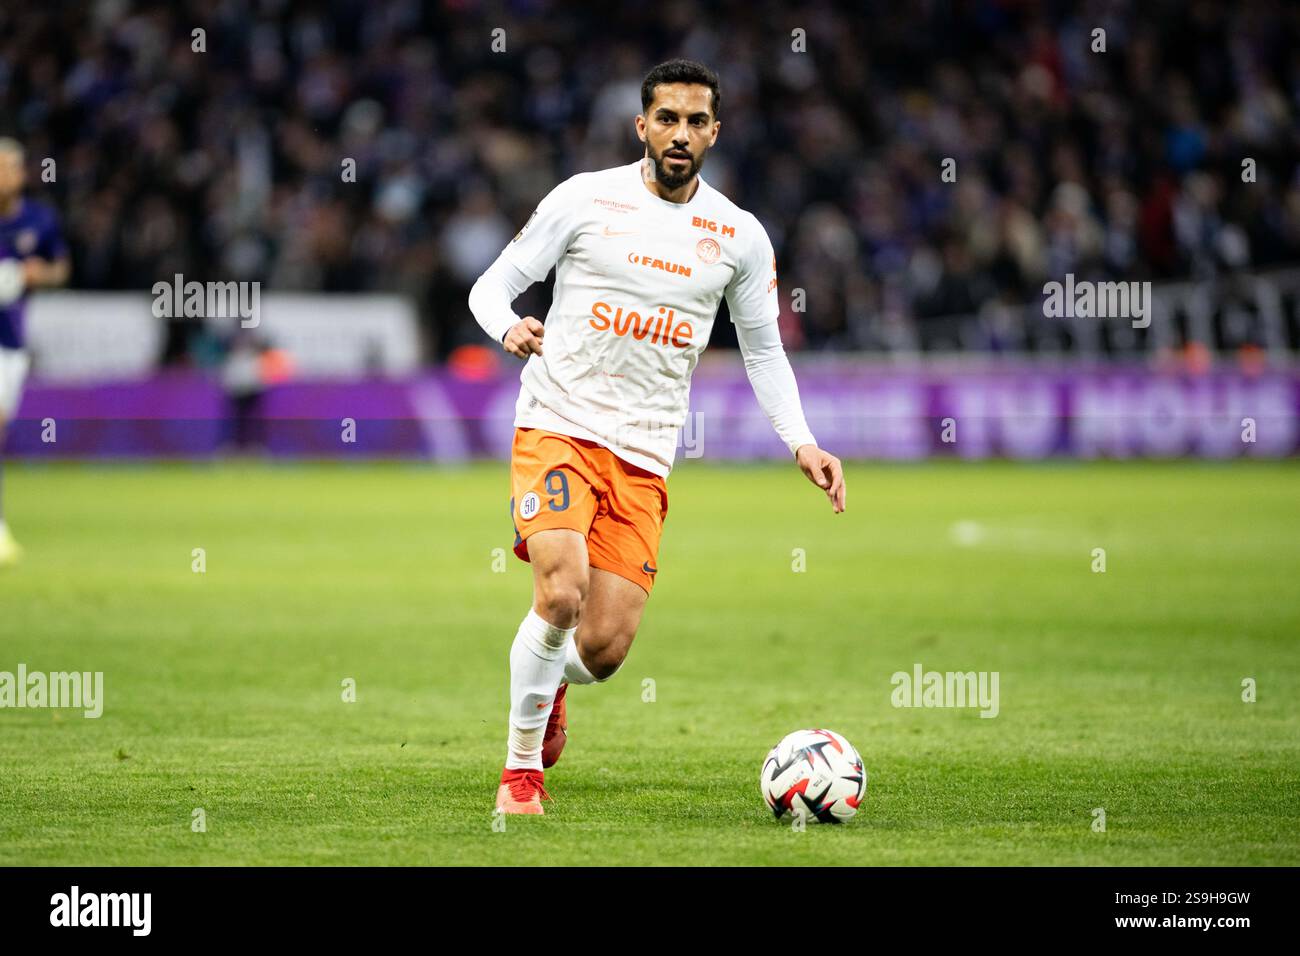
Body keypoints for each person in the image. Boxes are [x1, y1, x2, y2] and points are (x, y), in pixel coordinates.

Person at [468, 60, 845, 814]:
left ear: (714, 132)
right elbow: (490, 286)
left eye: (695, 120)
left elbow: (762, 348)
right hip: (558, 424)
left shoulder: (738, 236)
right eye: (666, 118)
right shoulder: (583, 199)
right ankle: (520, 774)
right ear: (641, 126)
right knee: (561, 588)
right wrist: (511, 326)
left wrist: (801, 439)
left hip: (644, 454)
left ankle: (550, 684)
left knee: (602, 650)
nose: (680, 133)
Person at [0, 138, 70, 567]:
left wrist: (35, 273)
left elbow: (61, 269)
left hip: (8, 344)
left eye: (8, 167)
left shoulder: (40, 220)